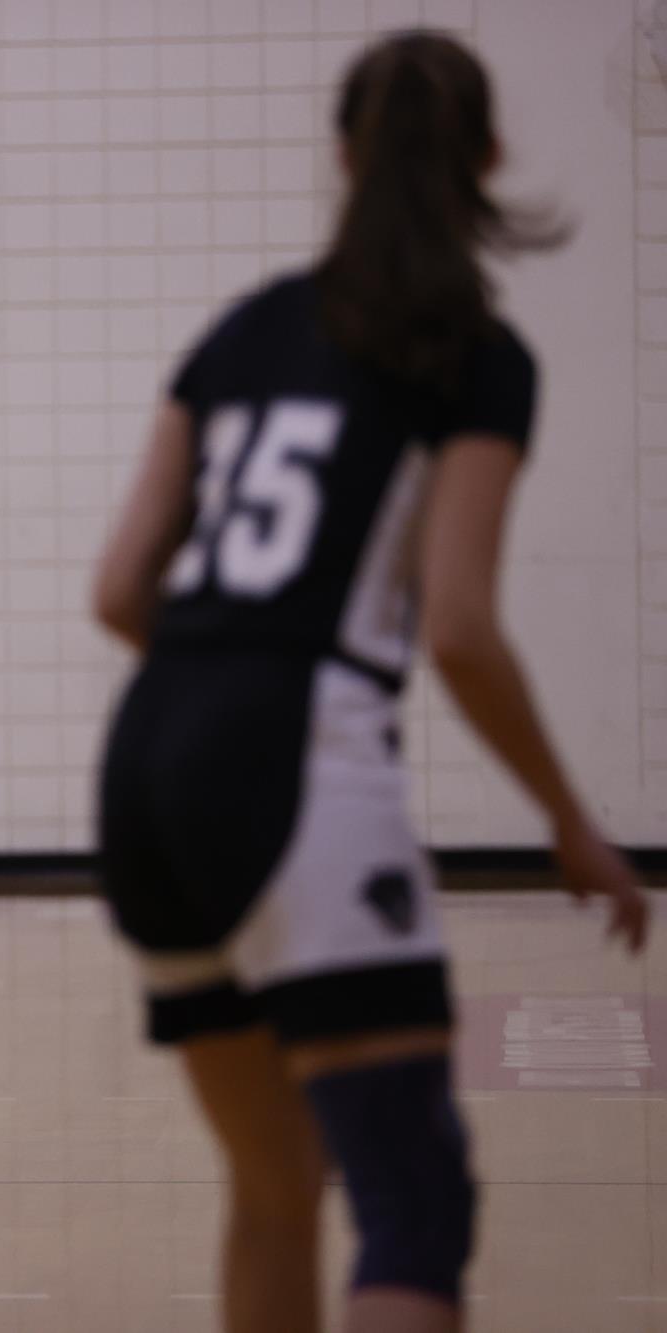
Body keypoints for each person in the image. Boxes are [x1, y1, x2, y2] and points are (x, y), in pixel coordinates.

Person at [90, 30, 648, 1333]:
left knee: (274, 1181)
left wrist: (210, 708)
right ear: (489, 158)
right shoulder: (475, 354)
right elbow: (457, 624)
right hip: (289, 750)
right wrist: (568, 818)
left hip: (143, 757)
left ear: (341, 157)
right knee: (411, 1199)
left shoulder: (242, 331)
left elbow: (118, 590)